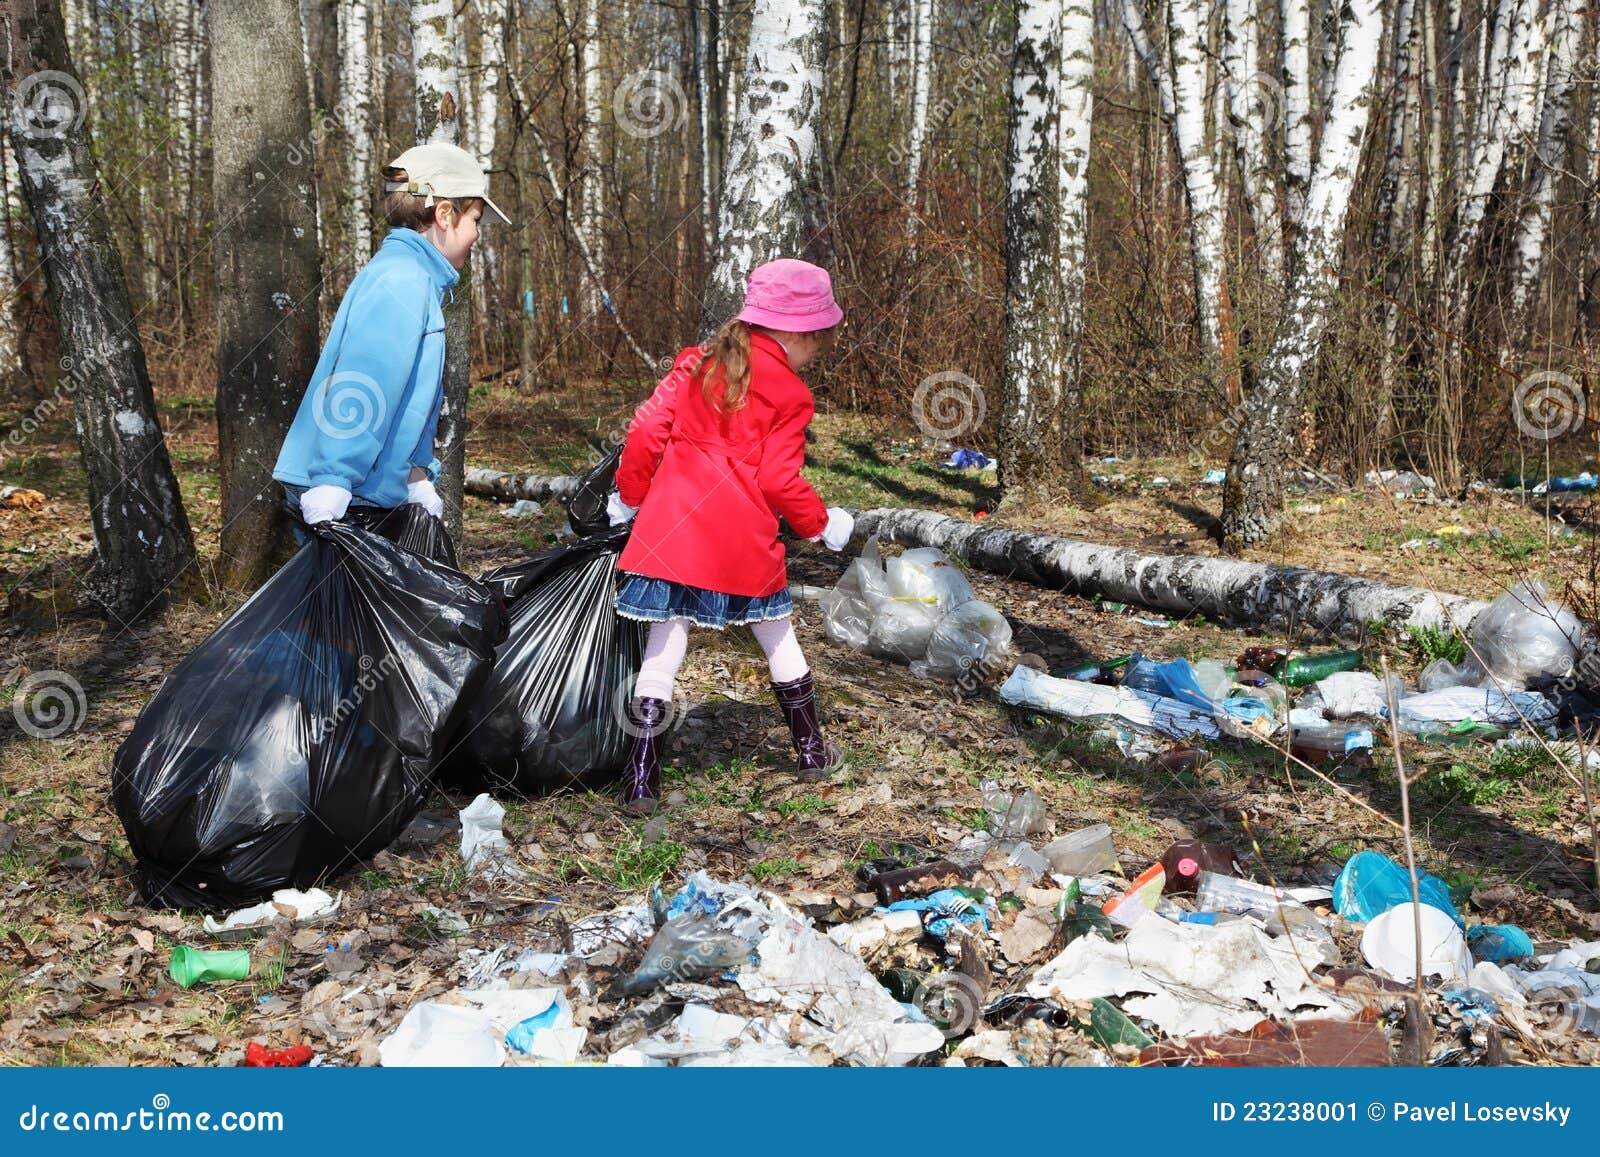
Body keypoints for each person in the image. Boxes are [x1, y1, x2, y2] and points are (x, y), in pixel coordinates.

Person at [608, 258, 855, 814]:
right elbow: (777, 479)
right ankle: (812, 752)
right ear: (793, 331)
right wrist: (821, 524)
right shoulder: (791, 395)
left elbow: (647, 430)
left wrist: (629, 495)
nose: (817, 350)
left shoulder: (694, 365)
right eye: (817, 339)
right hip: (741, 547)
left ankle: (640, 781)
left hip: (670, 537)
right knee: (778, 639)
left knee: (662, 653)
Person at [273, 142, 511, 530]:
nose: (477, 234)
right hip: (343, 488)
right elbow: (366, 380)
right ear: (445, 214)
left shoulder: (414, 277)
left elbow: (408, 398)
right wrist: (334, 476)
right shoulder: (402, 280)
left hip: (361, 485)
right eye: (476, 220)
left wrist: (414, 473)